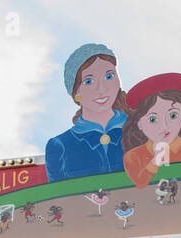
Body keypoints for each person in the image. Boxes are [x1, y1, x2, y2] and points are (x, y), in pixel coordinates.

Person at [45, 44, 128, 183]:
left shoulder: (141, 129)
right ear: (76, 93)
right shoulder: (60, 146)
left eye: (109, 76)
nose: (101, 89)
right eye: (88, 81)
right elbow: (59, 199)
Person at [120, 73, 181, 188]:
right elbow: (140, 183)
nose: (164, 126)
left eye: (173, 116)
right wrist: (156, 160)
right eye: (152, 119)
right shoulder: (133, 156)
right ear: (139, 123)